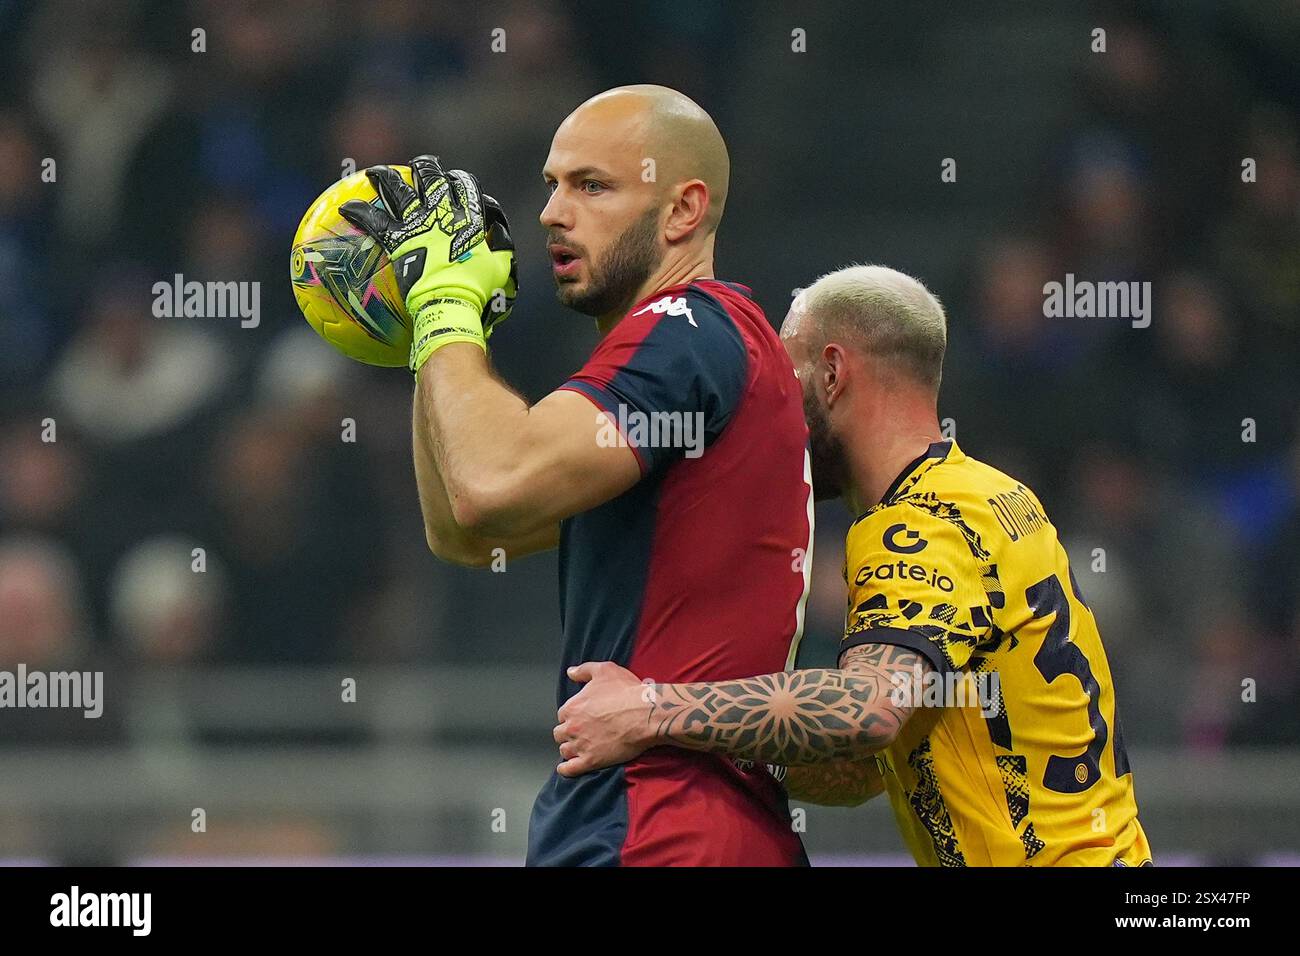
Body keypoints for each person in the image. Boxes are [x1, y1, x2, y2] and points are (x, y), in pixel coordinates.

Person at [340, 86, 813, 866]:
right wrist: (437, 336)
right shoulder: (707, 347)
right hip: (682, 820)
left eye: (593, 186)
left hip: (658, 824)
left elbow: (491, 481)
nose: (553, 212)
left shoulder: (683, 332)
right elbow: (465, 528)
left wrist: (450, 309)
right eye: (553, 184)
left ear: (683, 211)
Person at [556, 265, 1153, 867]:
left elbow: (867, 711)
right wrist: (725, 748)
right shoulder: (997, 498)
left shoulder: (913, 525)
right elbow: (871, 764)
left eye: (786, 384)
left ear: (834, 372)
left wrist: (652, 709)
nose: (772, 416)